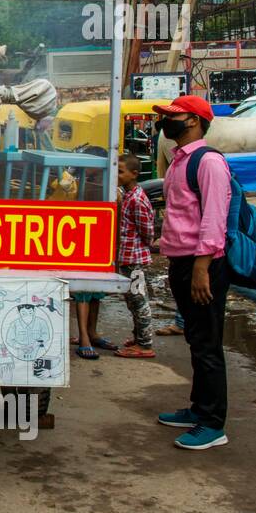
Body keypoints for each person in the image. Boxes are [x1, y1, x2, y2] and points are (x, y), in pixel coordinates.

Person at [153, 94, 231, 451]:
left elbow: (214, 218)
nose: (167, 122)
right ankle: (198, 409)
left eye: (175, 116)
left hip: (203, 265)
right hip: (182, 262)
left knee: (207, 344)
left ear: (195, 121)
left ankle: (213, 424)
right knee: (196, 340)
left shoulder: (208, 162)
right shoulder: (178, 161)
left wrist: (202, 267)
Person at [114, 152, 156, 358]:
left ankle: (145, 344)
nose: (117, 175)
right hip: (127, 256)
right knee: (132, 300)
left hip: (135, 259)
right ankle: (139, 337)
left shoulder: (137, 200)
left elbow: (147, 231)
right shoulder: (127, 195)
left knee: (139, 301)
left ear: (134, 174)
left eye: (120, 172)